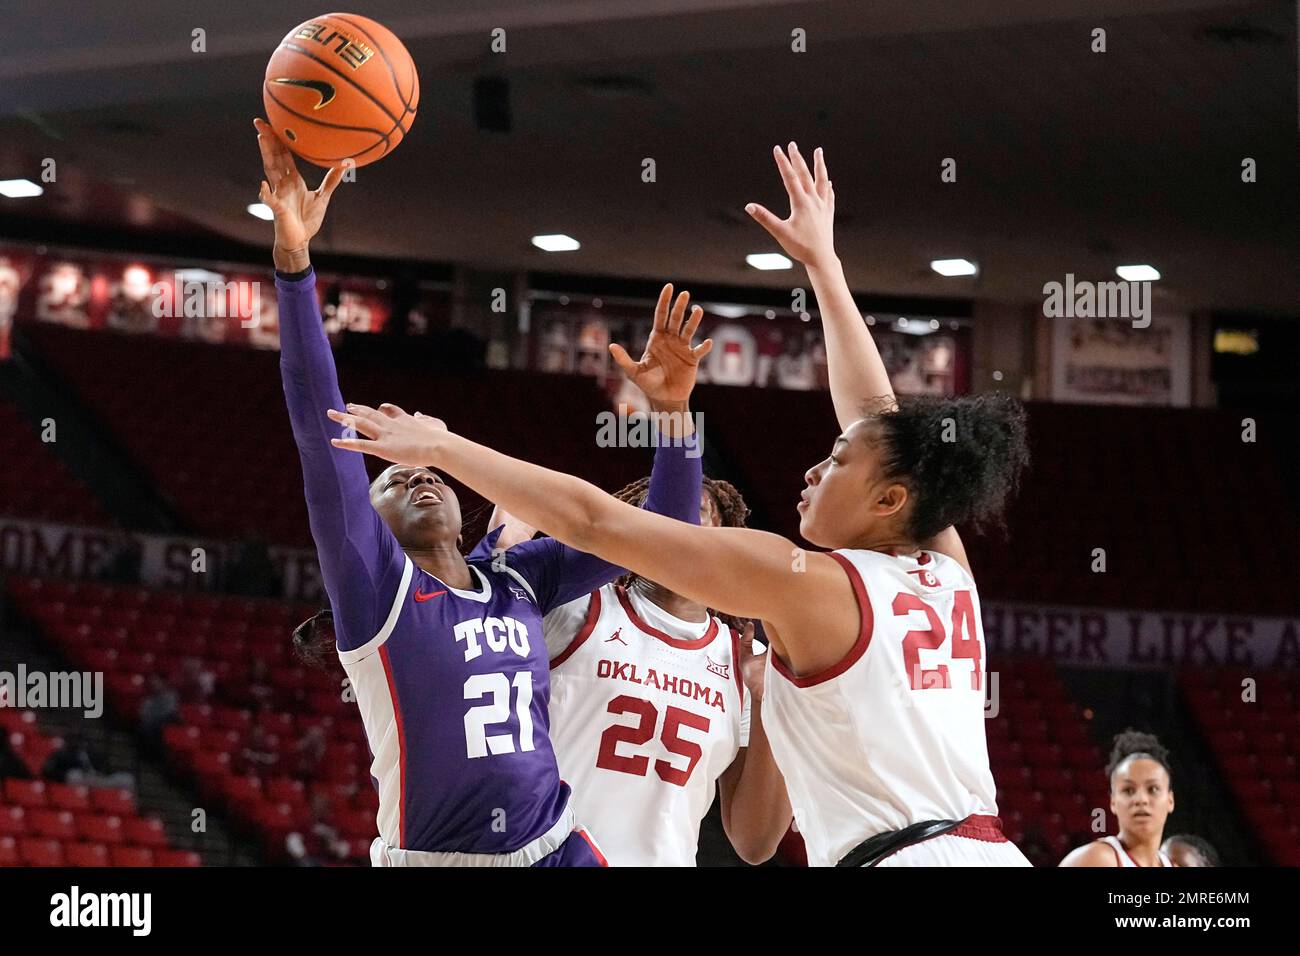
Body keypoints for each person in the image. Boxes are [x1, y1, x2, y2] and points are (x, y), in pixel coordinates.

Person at [326, 144, 1032, 867]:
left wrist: (442, 447)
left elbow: (597, 522)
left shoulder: (804, 582)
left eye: (836, 460)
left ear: (888, 500)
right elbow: (883, 421)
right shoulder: (945, 570)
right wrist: (825, 268)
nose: (816, 466)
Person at [254, 118, 705, 867]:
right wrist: (295, 263)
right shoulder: (374, 594)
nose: (419, 474)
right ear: (369, 523)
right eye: (394, 479)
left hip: (557, 847)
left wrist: (674, 419)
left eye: (427, 468)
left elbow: (669, 539)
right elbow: (314, 427)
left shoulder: (521, 579)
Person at [475, 474, 792, 866]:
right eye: (659, 510)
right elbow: (483, 620)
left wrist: (769, 703)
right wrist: (502, 555)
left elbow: (755, 843)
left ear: (725, 538)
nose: (674, 520)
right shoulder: (576, 607)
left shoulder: (749, 659)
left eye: (695, 511)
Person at [1060, 730, 1176, 867]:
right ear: (1113, 802)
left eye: (1153, 789)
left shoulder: (1171, 864)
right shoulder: (1095, 860)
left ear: (1170, 800)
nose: (1141, 799)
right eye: (1128, 790)